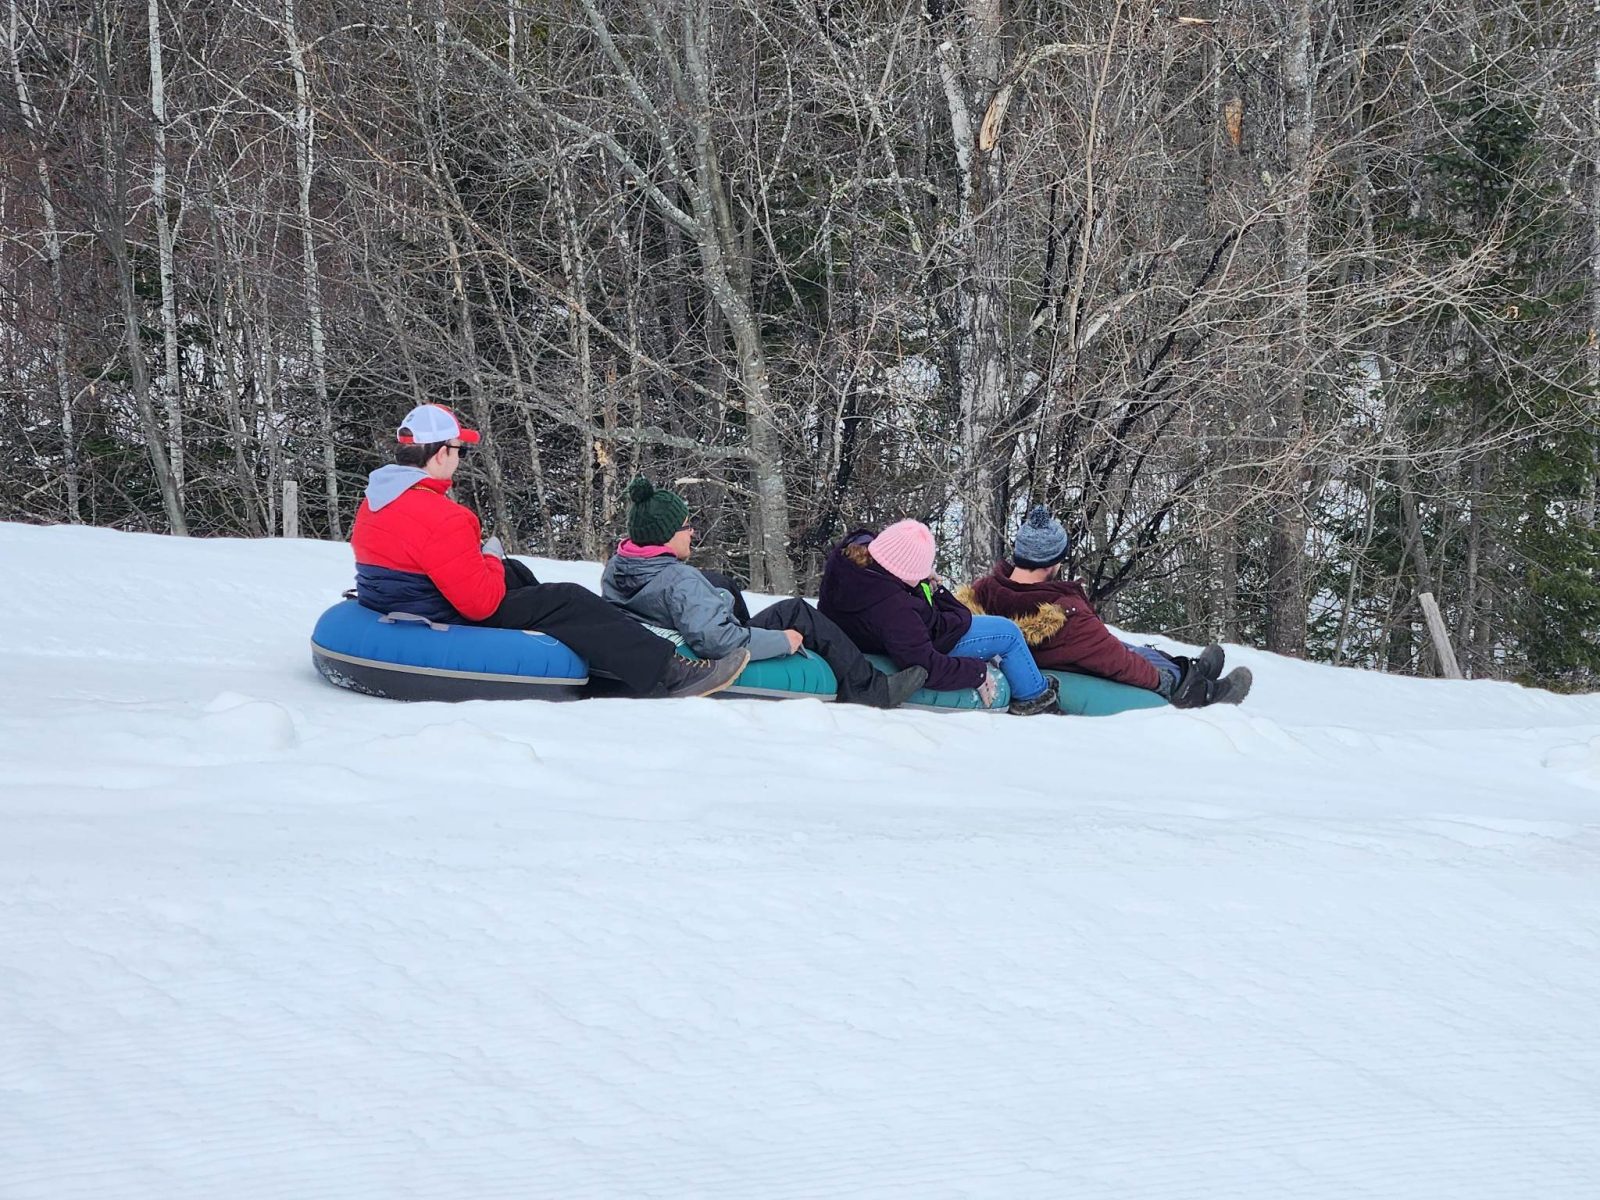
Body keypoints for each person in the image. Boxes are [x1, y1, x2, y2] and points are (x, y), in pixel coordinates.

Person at [349, 403, 748, 699]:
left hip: (406, 597)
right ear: (441, 454)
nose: (460, 460)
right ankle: (672, 672)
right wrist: (488, 555)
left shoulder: (376, 500)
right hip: (438, 610)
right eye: (460, 451)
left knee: (519, 574)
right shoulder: (443, 515)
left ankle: (584, 649)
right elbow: (480, 605)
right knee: (567, 599)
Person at [600, 477, 928, 708]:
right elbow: (717, 641)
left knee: (721, 583)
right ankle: (872, 689)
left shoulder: (619, 566)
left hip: (668, 629)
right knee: (797, 612)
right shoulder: (679, 580)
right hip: (710, 645)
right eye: (686, 526)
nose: (692, 532)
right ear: (663, 535)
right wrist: (781, 640)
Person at [957, 505, 1251, 708]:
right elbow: (1116, 661)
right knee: (1136, 657)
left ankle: (1187, 667)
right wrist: (1161, 682)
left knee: (1133, 647)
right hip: (1073, 667)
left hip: (1057, 657)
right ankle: (1199, 689)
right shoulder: (1062, 612)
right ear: (1052, 563)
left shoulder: (985, 591)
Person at [817, 520, 1061, 716]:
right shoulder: (894, 608)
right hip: (925, 638)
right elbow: (925, 665)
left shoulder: (850, 557)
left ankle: (1032, 686)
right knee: (1007, 633)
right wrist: (976, 672)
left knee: (997, 628)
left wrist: (923, 582)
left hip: (893, 628)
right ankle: (1035, 699)